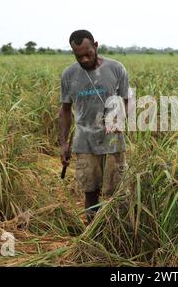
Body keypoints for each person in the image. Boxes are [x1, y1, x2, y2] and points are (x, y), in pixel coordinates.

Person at [59, 29, 130, 222]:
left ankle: (115, 231)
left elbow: (126, 100)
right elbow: (65, 110)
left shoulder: (116, 69)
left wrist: (118, 120)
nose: (84, 59)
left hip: (113, 141)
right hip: (84, 142)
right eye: (78, 56)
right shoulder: (69, 75)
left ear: (96, 46)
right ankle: (92, 233)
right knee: (90, 191)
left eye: (88, 54)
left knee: (116, 191)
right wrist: (64, 142)